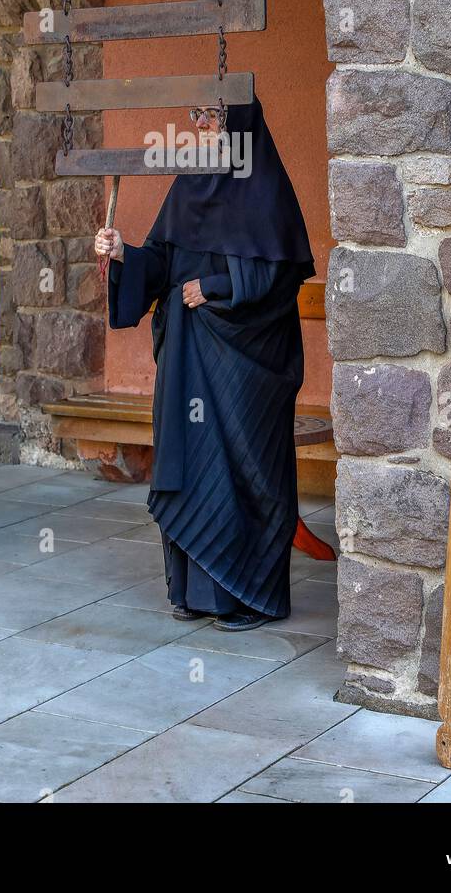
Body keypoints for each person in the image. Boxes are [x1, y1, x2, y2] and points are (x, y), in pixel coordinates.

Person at [94, 97, 314, 632]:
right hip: (188, 362)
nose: (203, 126)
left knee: (244, 472)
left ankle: (249, 598)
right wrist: (124, 253)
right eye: (196, 116)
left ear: (239, 122)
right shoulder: (189, 185)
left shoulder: (264, 187)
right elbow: (162, 263)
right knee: (191, 466)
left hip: (245, 370)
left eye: (213, 115)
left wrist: (218, 287)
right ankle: (196, 592)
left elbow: (281, 280)